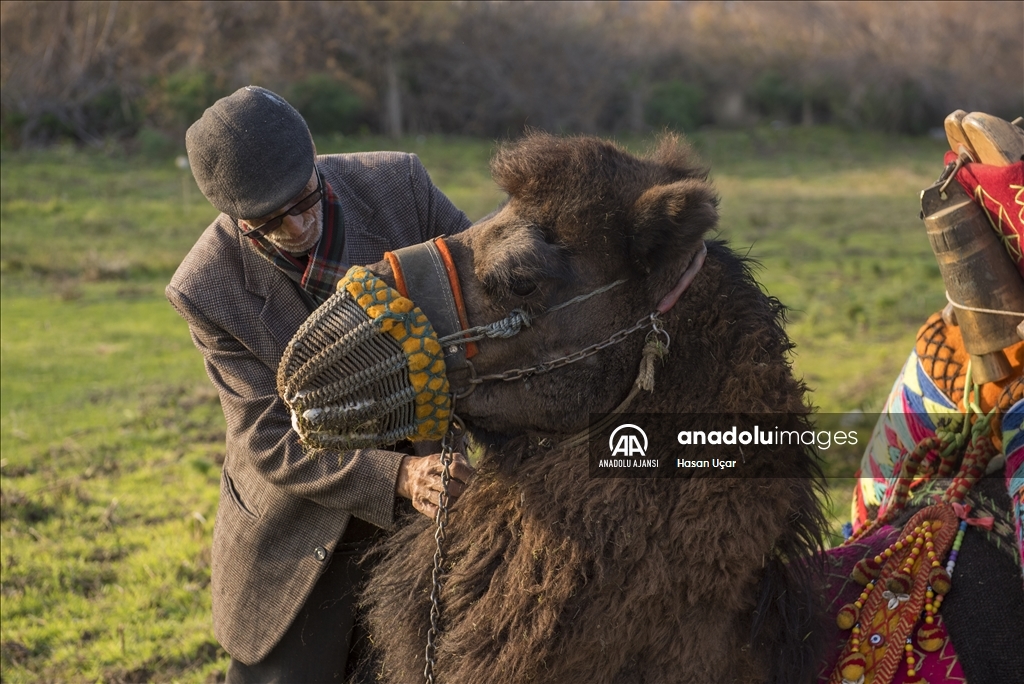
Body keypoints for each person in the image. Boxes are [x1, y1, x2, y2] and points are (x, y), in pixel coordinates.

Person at [166, 85, 476, 682]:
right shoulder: (205, 286)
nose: (296, 225)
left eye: (304, 200)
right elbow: (269, 438)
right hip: (296, 526)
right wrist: (401, 476)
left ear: (315, 160)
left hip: (431, 496)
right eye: (268, 221)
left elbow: (487, 283)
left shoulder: (400, 188)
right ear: (235, 217)